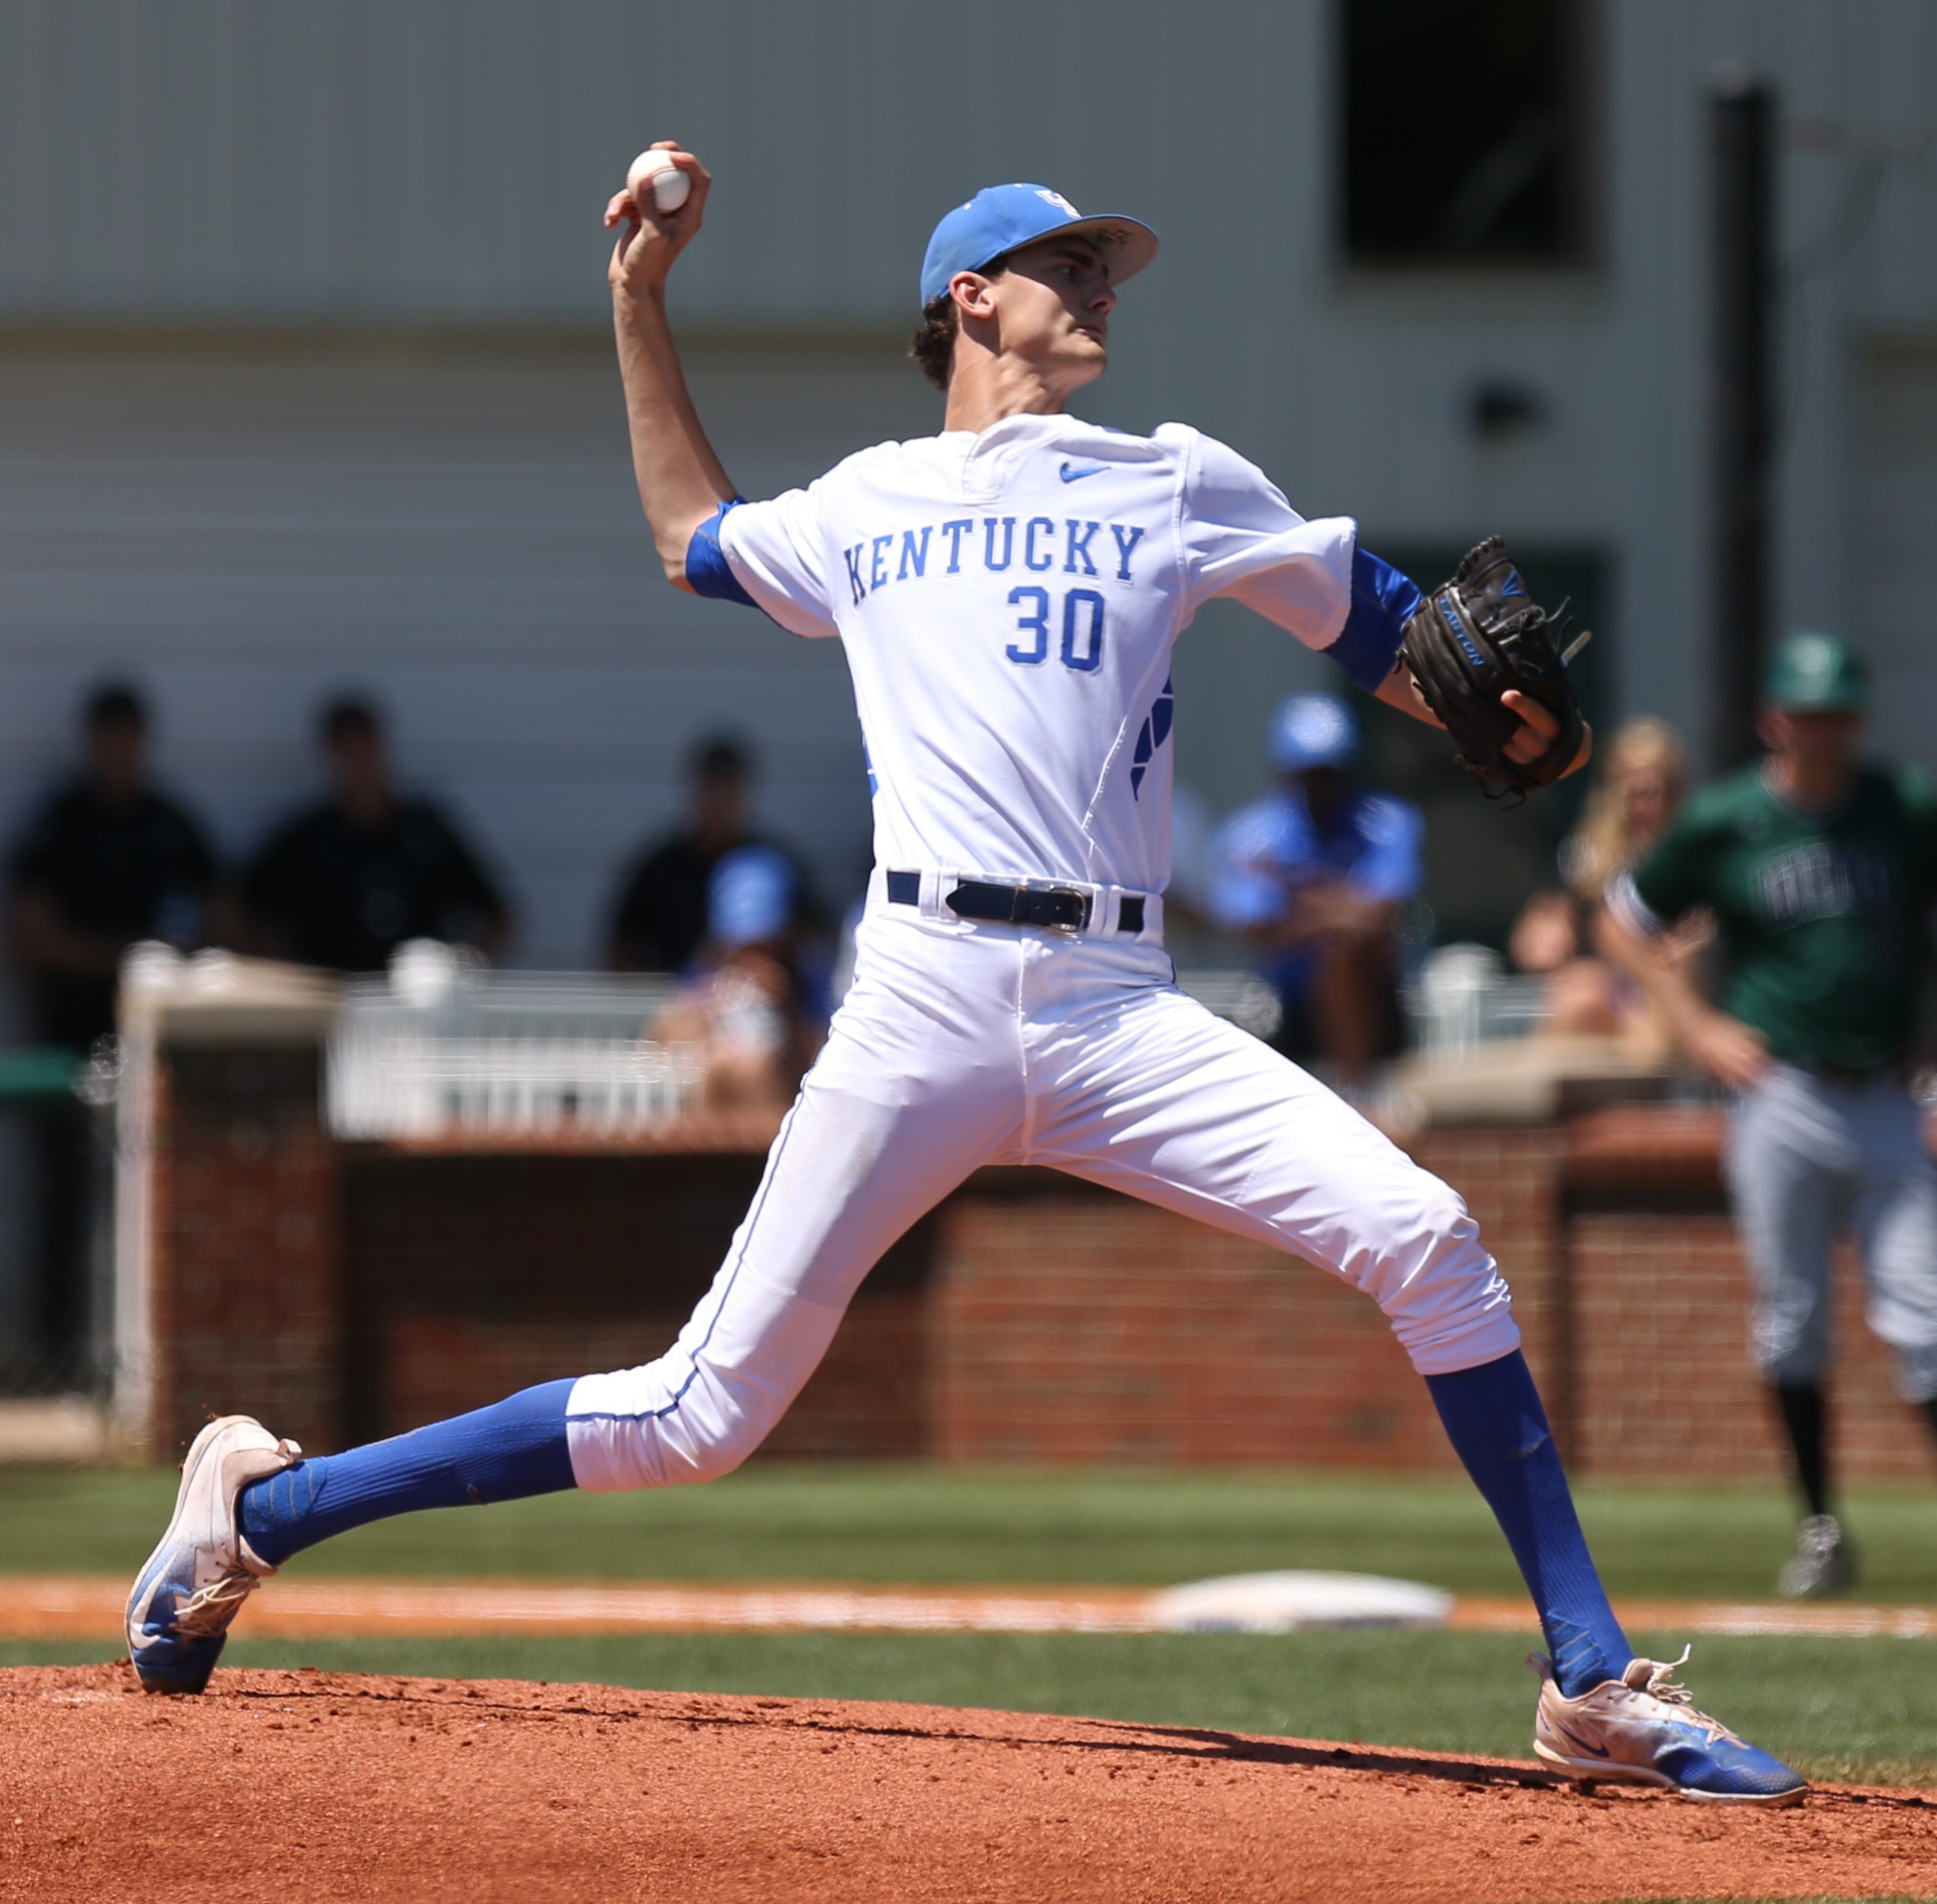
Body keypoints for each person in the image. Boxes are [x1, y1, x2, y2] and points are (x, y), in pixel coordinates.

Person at [125, 158, 1808, 1805]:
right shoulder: (865, 503)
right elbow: (687, 535)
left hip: (1115, 1004)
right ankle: (258, 1513)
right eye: (1064, 263)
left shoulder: (1174, 478)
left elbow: (1384, 631)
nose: (1097, 289)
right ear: (969, 299)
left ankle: (1587, 1680)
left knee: (1430, 1239)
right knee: (695, 1417)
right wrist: (639, 299)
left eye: (1103, 267)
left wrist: (1479, 709)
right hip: (921, 990)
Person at [1601, 633, 1937, 1610]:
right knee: (1790, 1317)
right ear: (1774, 719)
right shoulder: (1730, 817)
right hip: (1779, 1089)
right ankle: (1821, 1529)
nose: (1821, 731)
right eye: (1805, 713)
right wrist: (1695, 1024)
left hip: (1883, 1091)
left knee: (1930, 1307)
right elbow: (1621, 916)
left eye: (1837, 714)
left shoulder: (1899, 805)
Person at [5, 682, 222, 1370]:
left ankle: (157, 1359)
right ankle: (61, 1360)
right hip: (76, 1045)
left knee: (163, 1203)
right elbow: (32, 934)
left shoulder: (170, 825)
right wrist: (127, 958)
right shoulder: (61, 824)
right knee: (69, 1207)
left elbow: (221, 920)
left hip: (163, 1059)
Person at [1209, 694, 1421, 1094]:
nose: (1322, 787)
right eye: (1309, 774)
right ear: (1287, 773)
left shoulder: (1387, 821)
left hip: (1378, 1002)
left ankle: (1358, 1092)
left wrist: (1297, 894)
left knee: (1344, 949)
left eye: (1331, 773)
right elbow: (1254, 929)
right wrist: (1340, 906)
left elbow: (1384, 915)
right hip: (1286, 1007)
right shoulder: (1252, 835)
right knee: (1336, 942)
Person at [238, 696, 513, 974]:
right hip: (335, 1000)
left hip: (416, 1002)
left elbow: (497, 916)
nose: (359, 759)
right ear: (329, 755)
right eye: (346, 748)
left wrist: (462, 975)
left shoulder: (427, 831)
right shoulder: (308, 839)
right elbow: (244, 909)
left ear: (383, 745)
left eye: (365, 743)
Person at [1509, 716, 1696, 1063]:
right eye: (1637, 792)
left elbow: (1696, 940)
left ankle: (1658, 1105)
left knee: (1658, 1006)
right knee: (1578, 996)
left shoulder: (1693, 854)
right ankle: (1557, 1108)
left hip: (1676, 984)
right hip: (1611, 985)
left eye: (1659, 790)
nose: (1648, 803)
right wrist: (1547, 934)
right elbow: (1535, 940)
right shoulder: (1589, 856)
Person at [605, 734, 821, 975]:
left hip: (755, 1000)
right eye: (711, 789)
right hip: (676, 1004)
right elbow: (621, 951)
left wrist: (760, 952)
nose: (719, 802)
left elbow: (815, 942)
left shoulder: (772, 864)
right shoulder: (659, 870)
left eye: (727, 791)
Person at [648, 844, 825, 1113]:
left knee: (753, 1068)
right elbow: (657, 1047)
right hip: (711, 1116)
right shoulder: (705, 972)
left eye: (766, 942)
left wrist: (786, 1009)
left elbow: (823, 1055)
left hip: (781, 1111)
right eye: (741, 944)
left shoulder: (807, 974)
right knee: (721, 1064)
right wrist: (708, 1007)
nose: (753, 954)